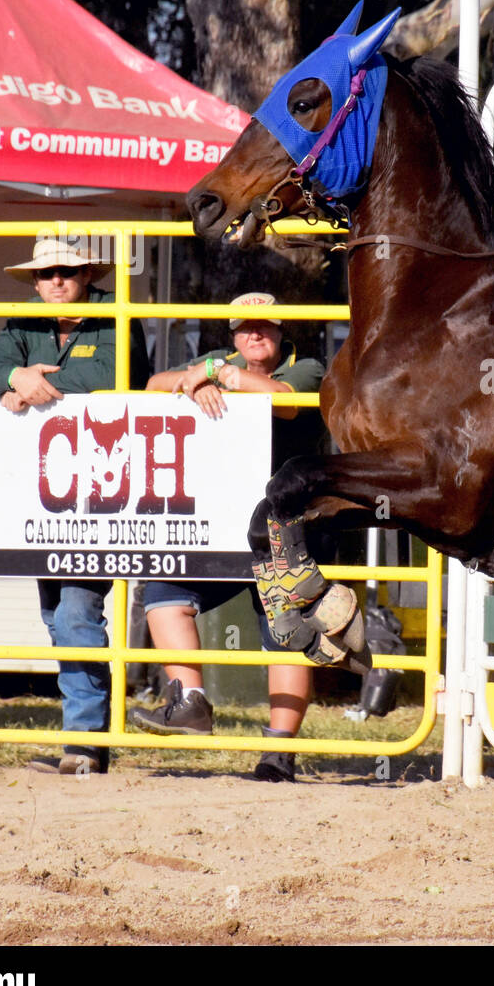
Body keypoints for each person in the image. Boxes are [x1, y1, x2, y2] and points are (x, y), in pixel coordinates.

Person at [128, 292, 331, 782]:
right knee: (162, 594)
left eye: (264, 327)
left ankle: (279, 752)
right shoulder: (222, 360)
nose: (254, 335)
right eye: (243, 328)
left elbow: (283, 403)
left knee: (283, 631)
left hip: (286, 523)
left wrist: (219, 376)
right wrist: (190, 385)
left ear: (283, 332)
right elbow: (152, 385)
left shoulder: (306, 368)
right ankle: (190, 702)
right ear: (233, 333)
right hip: (219, 520)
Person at [0, 234, 151, 775]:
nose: (55, 281)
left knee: (75, 610)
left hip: (105, 486)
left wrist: (25, 386)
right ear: (33, 280)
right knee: (58, 613)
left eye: (67, 272)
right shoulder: (24, 319)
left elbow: (115, 380)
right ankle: (91, 735)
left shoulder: (117, 313)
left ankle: (84, 745)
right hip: (48, 494)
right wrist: (12, 376)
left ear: (88, 275)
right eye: (46, 274)